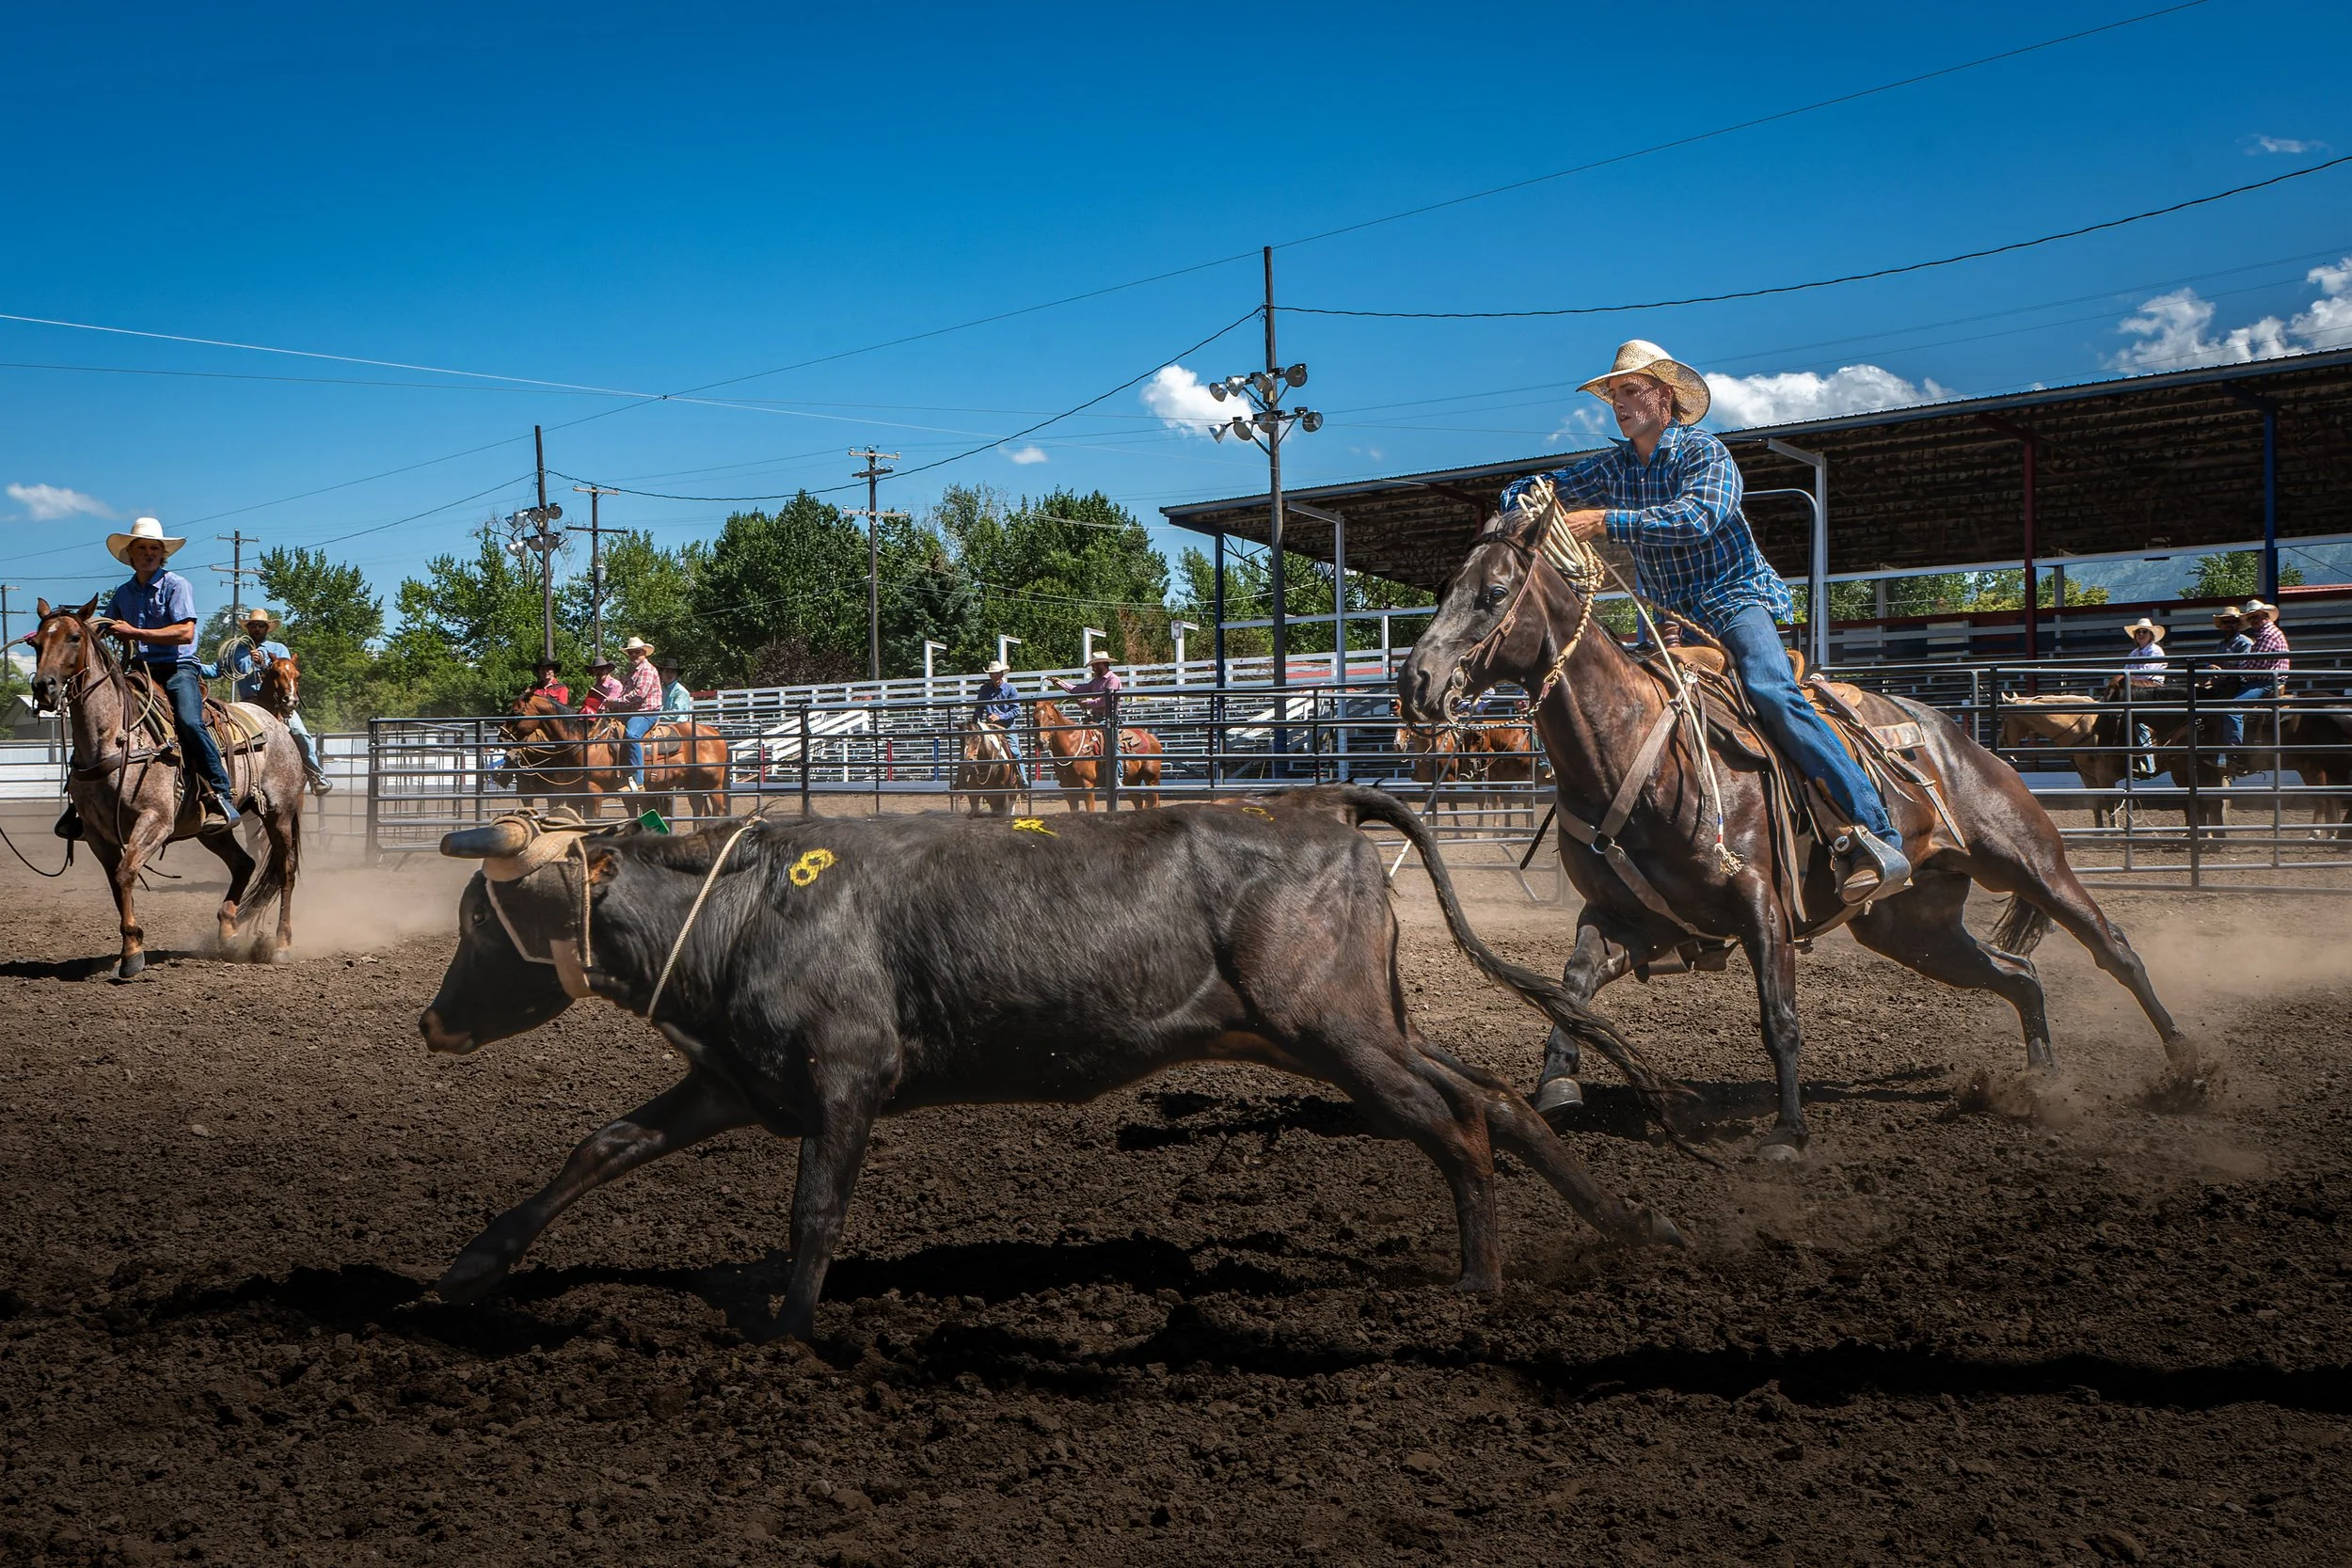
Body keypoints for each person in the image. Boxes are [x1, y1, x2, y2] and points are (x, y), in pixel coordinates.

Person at [1500, 340, 1907, 901]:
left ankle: (1873, 832)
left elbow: (1699, 517)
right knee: (1625, 711)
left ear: (1665, 397)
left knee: (1771, 691)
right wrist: (1522, 500)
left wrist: (1607, 521)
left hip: (1734, 601)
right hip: (1668, 621)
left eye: (1630, 390)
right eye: (1613, 394)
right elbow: (1530, 489)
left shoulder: (1705, 454)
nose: (1618, 403)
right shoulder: (1613, 467)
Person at [87, 517, 240, 828]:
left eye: (154, 548)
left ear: (162, 554)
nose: (148, 553)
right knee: (98, 718)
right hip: (139, 671)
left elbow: (185, 633)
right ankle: (85, 801)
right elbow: (105, 626)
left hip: (177, 669)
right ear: (131, 555)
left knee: (189, 721)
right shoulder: (123, 593)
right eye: (141, 547)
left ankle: (219, 793)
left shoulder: (176, 585)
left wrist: (136, 633)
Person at [206, 607, 331, 794]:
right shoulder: (235, 651)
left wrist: (263, 664)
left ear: (267, 628)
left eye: (261, 625)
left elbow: (286, 674)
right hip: (247, 703)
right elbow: (216, 671)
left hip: (277, 704)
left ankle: (316, 775)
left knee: (300, 732)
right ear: (247, 628)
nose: (256, 628)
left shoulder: (278, 649)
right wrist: (188, 665)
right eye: (253, 625)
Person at [2212, 599, 2288, 769]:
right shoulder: (2262, 634)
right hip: (2263, 680)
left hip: (2267, 681)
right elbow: (2253, 663)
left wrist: (2232, 668)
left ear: (2266, 616)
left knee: (2233, 708)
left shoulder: (2267, 634)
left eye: (2256, 617)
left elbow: (2255, 663)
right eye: (2251, 618)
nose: (2254, 620)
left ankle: (2236, 754)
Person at [604, 636, 665, 791]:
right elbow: (627, 692)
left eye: (637, 652)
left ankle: (638, 781)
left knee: (632, 735)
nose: (633, 656)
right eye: (631, 653)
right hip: (633, 711)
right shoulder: (634, 671)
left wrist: (615, 702)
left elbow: (639, 694)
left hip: (647, 712)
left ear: (644, 653)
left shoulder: (647, 670)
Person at [2122, 617, 2167, 779]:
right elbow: (2126, 672)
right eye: (2138, 632)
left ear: (2150, 635)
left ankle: (2149, 764)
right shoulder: (2133, 653)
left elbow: (2146, 674)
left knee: (2139, 720)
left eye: (2144, 631)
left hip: (2153, 688)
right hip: (2135, 688)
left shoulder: (2155, 651)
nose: (2141, 634)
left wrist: (2127, 678)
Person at [1052, 650, 1122, 723]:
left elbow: (1106, 700)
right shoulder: (1096, 681)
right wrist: (1060, 683)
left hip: (1109, 718)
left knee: (1106, 730)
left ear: (1101, 664)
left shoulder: (1113, 679)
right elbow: (1077, 690)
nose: (1093, 669)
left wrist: (1087, 703)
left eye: (1094, 666)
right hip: (1096, 717)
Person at [972, 657, 1023, 759]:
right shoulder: (984, 689)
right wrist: (975, 725)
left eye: (996, 673)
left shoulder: (1010, 690)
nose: (993, 676)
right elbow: (979, 710)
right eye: (991, 673)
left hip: (1007, 728)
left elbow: (1016, 711)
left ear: (1001, 674)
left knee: (1015, 753)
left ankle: (1021, 775)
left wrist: (999, 717)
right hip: (989, 727)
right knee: (974, 750)